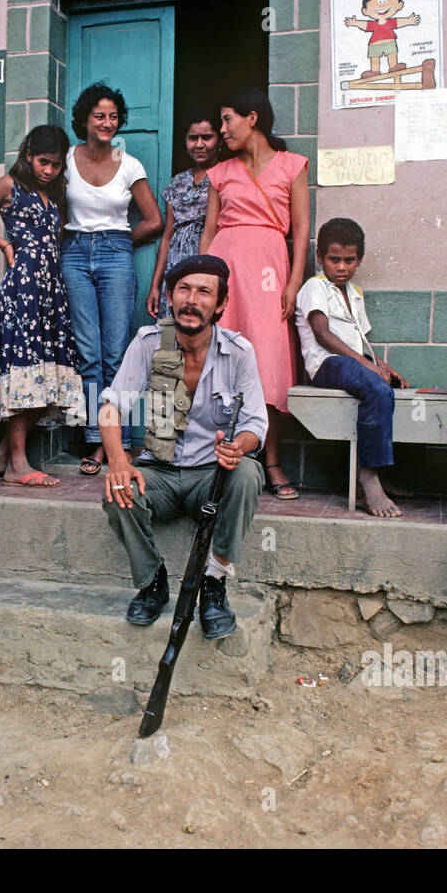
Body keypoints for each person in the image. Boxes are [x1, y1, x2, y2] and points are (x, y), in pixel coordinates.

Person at [100, 255, 267, 640]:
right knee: (118, 487)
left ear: (221, 304)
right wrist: (117, 461)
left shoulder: (239, 352)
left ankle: (213, 583)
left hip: (211, 477)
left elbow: (256, 424)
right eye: (184, 290)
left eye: (204, 292)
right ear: (171, 298)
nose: (192, 300)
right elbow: (111, 407)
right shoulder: (148, 343)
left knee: (246, 473)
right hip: (159, 472)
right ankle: (152, 580)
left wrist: (238, 447)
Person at [0, 124, 85, 486]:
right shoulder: (10, 185)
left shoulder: (55, 194)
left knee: (48, 373)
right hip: (22, 289)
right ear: (28, 155)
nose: (49, 170)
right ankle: (17, 464)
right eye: (43, 162)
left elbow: (56, 241)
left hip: (50, 290)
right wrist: (3, 244)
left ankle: (1, 456)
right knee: (24, 371)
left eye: (56, 165)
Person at [200, 87, 310, 500]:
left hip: (268, 271)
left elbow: (301, 231)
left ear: (252, 118)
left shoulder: (291, 166)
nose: (221, 129)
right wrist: (198, 283)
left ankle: (272, 459)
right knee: (219, 363)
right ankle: (218, 457)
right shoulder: (221, 172)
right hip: (224, 269)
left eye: (227, 120)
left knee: (266, 363)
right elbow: (209, 232)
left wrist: (294, 281)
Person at [61, 81, 163, 476]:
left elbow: (153, 220)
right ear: (84, 120)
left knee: (117, 353)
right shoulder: (67, 160)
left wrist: (118, 243)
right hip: (73, 255)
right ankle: (94, 439)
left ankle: (117, 441)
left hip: (117, 255)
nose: (107, 123)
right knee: (88, 352)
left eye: (113, 117)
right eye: (99, 116)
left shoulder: (130, 164)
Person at [296, 218, 408, 517]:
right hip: (325, 365)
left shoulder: (355, 293)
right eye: (334, 260)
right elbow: (322, 334)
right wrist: (366, 367)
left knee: (394, 389)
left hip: (350, 362)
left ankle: (382, 473)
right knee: (375, 388)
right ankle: (368, 478)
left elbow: (361, 341)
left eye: (349, 260)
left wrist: (382, 365)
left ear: (359, 259)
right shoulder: (314, 287)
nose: (342, 267)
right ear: (320, 257)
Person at [145, 106, 221, 322]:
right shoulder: (177, 182)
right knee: (172, 330)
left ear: (220, 139)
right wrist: (155, 285)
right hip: (176, 264)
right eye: (192, 138)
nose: (199, 144)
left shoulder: (226, 176)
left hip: (210, 257)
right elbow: (168, 235)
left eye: (207, 137)